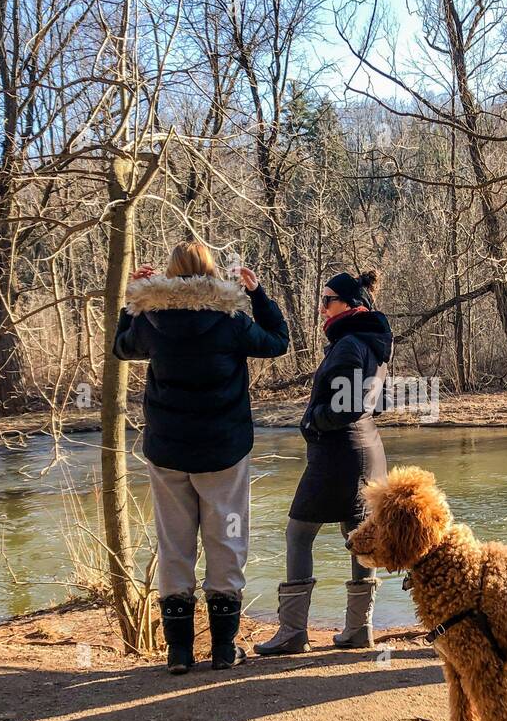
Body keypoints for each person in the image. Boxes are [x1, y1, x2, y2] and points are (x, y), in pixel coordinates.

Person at [113, 241, 289, 673]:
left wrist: (133, 301)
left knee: (175, 544)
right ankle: (224, 652)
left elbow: (121, 349)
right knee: (226, 541)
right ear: (212, 274)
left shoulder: (151, 320)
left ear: (170, 276)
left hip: (168, 450)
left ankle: (178, 654)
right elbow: (278, 342)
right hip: (224, 451)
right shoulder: (231, 321)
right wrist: (259, 295)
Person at [255, 269, 393, 655]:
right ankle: (358, 631)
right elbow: (376, 403)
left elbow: (350, 404)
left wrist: (313, 420)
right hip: (366, 449)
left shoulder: (350, 343)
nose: (320, 309)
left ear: (351, 305)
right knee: (357, 538)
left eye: (327, 300)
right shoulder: (372, 341)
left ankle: (293, 633)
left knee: (298, 533)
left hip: (338, 455)